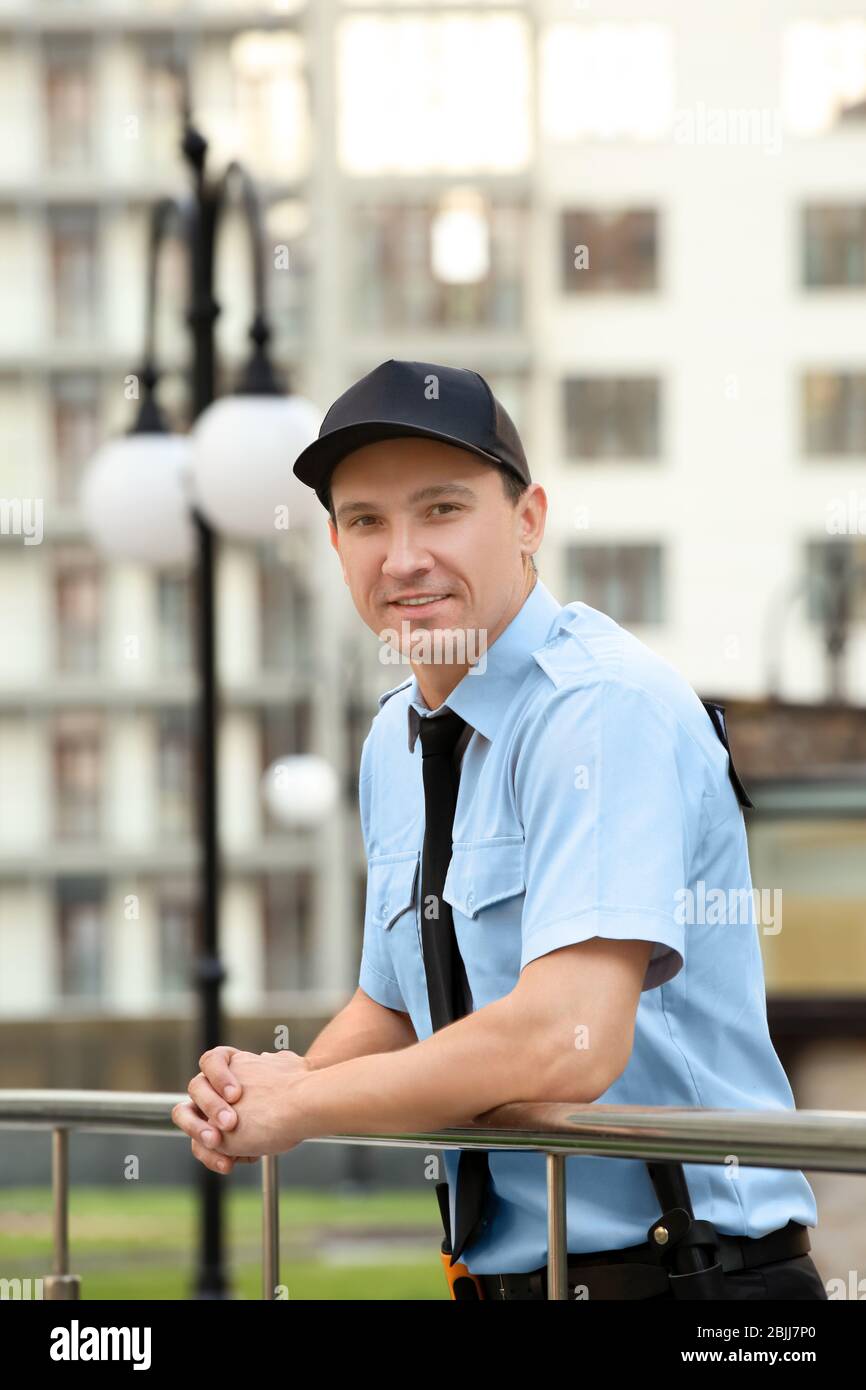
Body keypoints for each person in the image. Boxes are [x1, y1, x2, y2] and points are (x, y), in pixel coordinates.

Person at [172, 359, 827, 1301]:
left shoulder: (600, 708)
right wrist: (263, 1088)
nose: (402, 557)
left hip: (693, 1281)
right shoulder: (393, 739)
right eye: (366, 521)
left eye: (442, 509)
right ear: (335, 544)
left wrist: (302, 1105)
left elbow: (568, 1042)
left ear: (528, 521)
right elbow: (396, 1008)